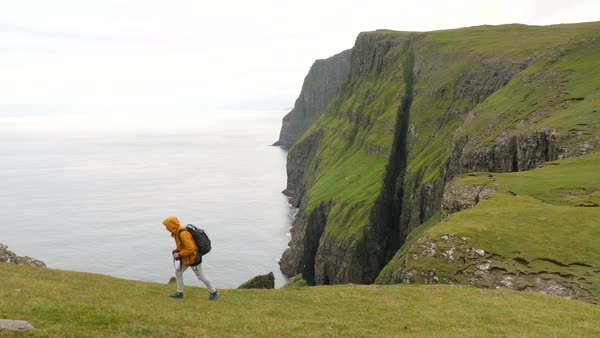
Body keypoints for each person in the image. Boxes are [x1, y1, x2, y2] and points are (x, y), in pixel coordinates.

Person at [162, 216, 220, 300]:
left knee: (201, 276)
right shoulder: (177, 231)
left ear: (172, 225)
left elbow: (191, 249)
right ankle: (179, 293)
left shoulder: (182, 233)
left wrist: (179, 254)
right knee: (178, 273)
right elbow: (183, 245)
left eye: (167, 226)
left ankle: (214, 292)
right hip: (186, 258)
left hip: (193, 259)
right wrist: (178, 251)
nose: (166, 228)